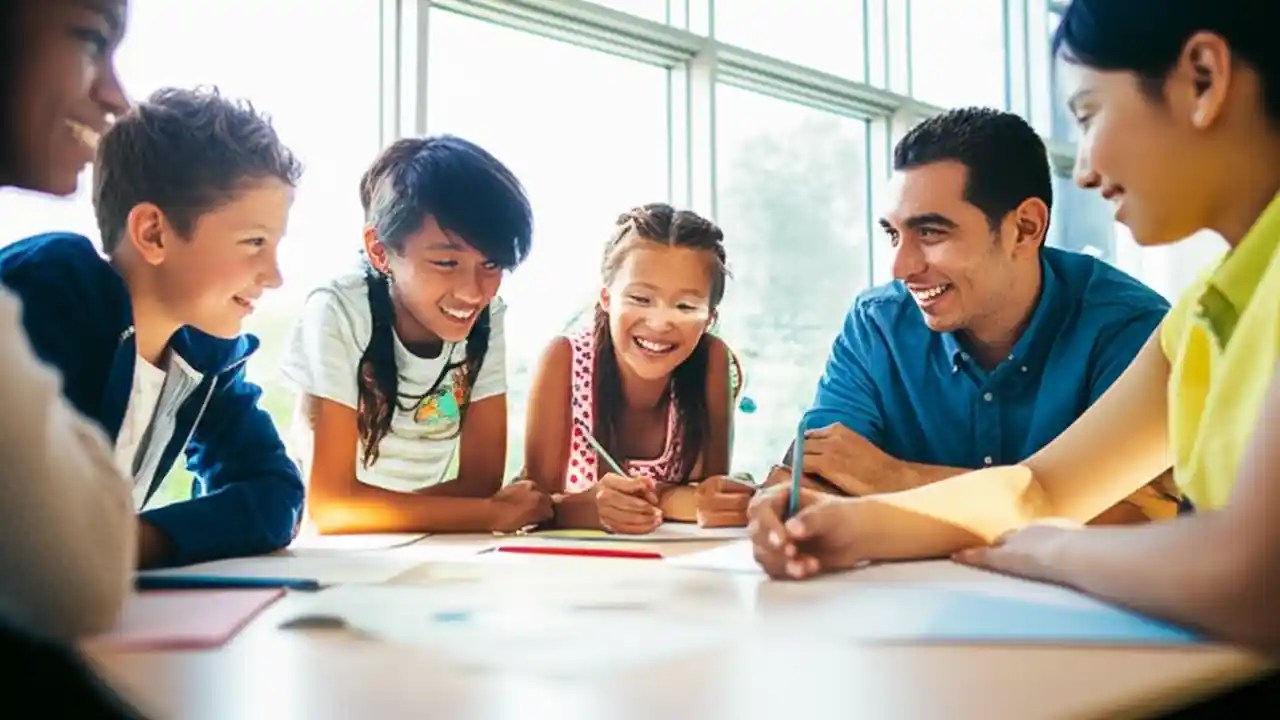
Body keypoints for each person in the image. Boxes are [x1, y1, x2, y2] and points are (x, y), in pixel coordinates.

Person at [748, 0, 1280, 653]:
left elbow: (1250, 578)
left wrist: (1051, 551)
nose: (1083, 169)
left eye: (1088, 114)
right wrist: (852, 527)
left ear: (1202, 79)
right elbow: (1041, 489)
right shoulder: (1205, 308)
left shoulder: (1146, 317)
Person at [764, 107, 1175, 525]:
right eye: (893, 234)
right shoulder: (876, 325)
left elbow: (1132, 518)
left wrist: (895, 478)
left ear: (1026, 228)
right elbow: (819, 478)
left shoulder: (1130, 328)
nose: (899, 268)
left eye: (931, 232)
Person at [0, 86, 306, 569]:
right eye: (253, 242)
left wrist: (126, 543)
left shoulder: (204, 358)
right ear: (153, 234)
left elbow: (277, 494)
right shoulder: (52, 287)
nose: (274, 275)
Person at [282, 136, 552, 534]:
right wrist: (487, 515)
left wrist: (377, 513)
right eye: (446, 262)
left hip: (425, 543)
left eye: (491, 264)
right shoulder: (339, 310)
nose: (473, 291)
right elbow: (332, 506)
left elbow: (481, 480)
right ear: (379, 250)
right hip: (325, 550)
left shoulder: (487, 318)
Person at [0, 0, 134, 636]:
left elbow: (273, 491)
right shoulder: (63, 282)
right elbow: (81, 572)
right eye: (90, 37)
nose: (117, 96)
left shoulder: (209, 350)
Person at [524, 203, 753, 533]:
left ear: (709, 320)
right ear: (606, 299)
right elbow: (532, 507)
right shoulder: (564, 358)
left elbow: (707, 497)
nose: (659, 323)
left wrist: (721, 501)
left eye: (686, 306)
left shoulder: (712, 361)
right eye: (640, 299)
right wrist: (588, 510)